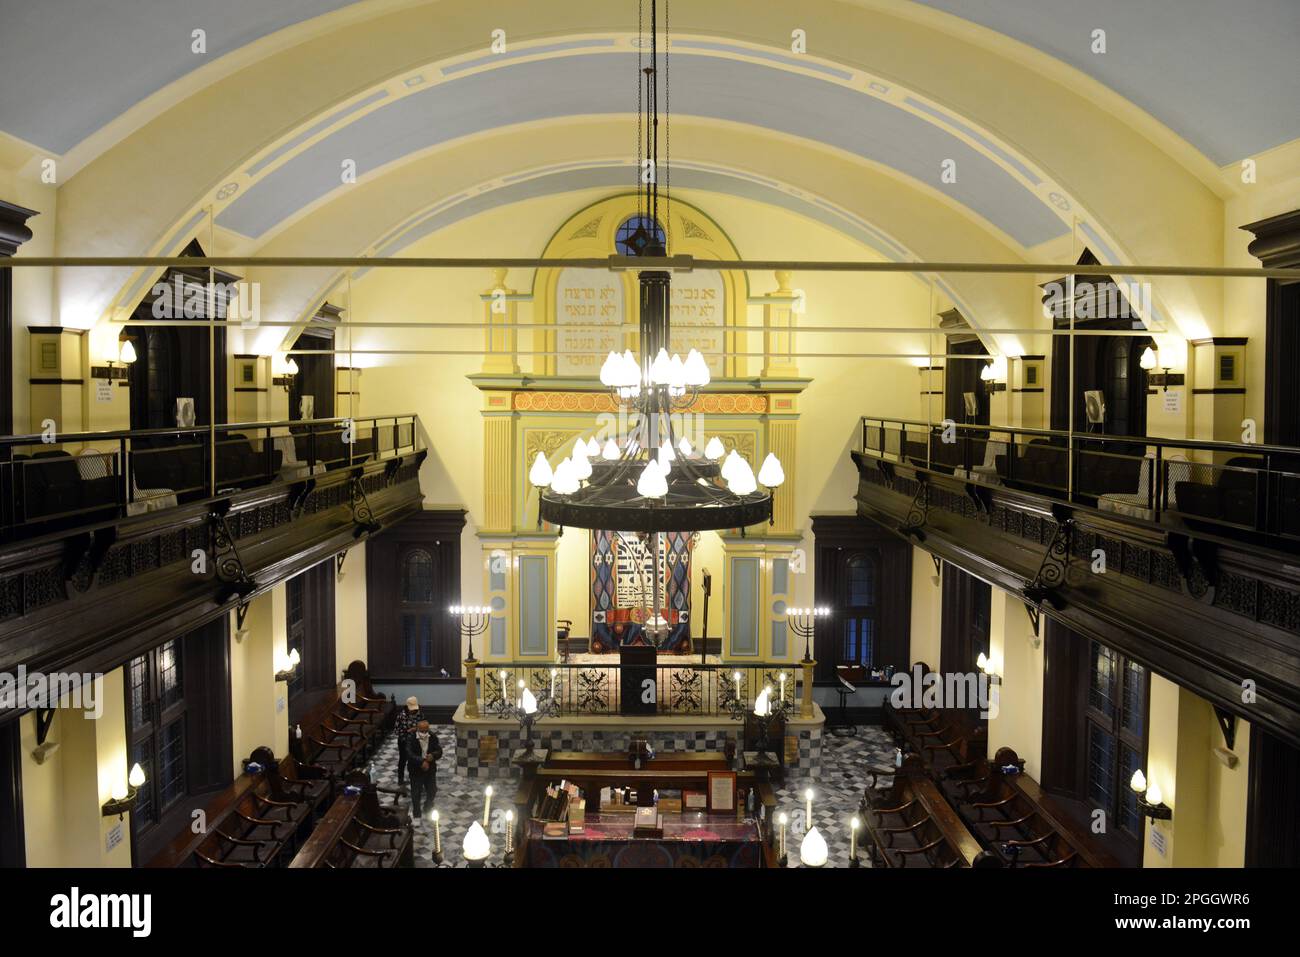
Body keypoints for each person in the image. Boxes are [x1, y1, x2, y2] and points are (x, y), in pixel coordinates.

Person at [405, 719, 443, 820]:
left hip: (430, 769)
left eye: (426, 730)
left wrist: (433, 755)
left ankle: (427, 806)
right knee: (416, 792)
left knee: (432, 790)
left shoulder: (432, 736)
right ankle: (417, 813)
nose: (425, 733)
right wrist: (422, 761)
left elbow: (439, 751)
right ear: (417, 729)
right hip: (416, 769)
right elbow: (409, 753)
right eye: (422, 731)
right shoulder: (411, 738)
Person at [395, 696, 420, 786]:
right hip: (404, 741)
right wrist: (409, 731)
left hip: (415, 741)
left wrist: (418, 728)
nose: (413, 711)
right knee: (403, 760)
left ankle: (414, 778)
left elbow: (423, 724)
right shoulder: (401, 716)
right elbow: (396, 731)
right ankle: (400, 779)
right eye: (411, 709)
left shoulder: (419, 713)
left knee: (414, 760)